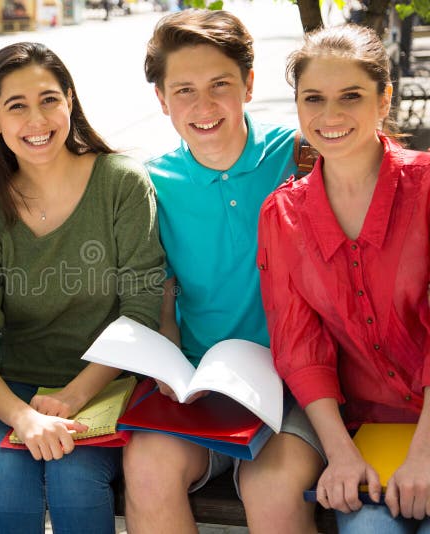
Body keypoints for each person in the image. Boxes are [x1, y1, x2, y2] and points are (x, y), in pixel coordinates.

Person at [122, 10, 326, 534]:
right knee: (145, 470)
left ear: (249, 84)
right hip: (198, 387)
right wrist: (167, 368)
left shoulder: (301, 156)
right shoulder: (152, 182)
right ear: (162, 101)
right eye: (184, 90)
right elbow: (163, 292)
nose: (204, 106)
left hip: (296, 388)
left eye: (220, 85)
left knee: (275, 492)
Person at [0, 41, 165, 533]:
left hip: (105, 383)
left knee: (73, 480)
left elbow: (140, 312)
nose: (37, 119)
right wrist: (23, 418)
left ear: (70, 100)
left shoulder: (121, 184)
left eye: (49, 99)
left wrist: (73, 396)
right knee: (6, 478)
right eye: (16, 106)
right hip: (15, 388)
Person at [258, 23, 430, 534]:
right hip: (365, 438)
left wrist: (422, 457)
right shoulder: (282, 215)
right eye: (313, 98)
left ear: (384, 100)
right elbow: (299, 348)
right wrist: (341, 455)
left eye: (350, 96)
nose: (329, 117)